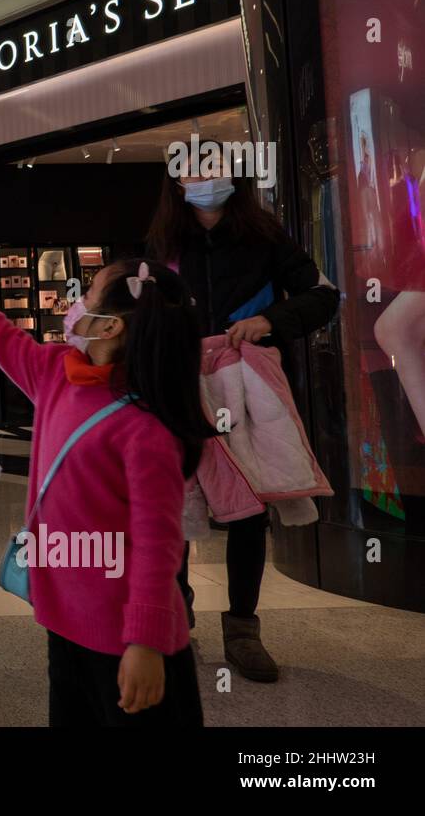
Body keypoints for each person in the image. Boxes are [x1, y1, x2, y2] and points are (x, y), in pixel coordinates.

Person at [0, 220, 211, 726]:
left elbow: (158, 545)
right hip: (64, 620)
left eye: (90, 291)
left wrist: (145, 642)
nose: (77, 299)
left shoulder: (145, 431)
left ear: (110, 326)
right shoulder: (57, 373)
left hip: (124, 637)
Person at [147, 168, 339, 682]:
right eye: (191, 170)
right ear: (175, 181)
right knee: (174, 501)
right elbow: (142, 312)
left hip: (248, 387)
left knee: (249, 508)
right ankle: (175, 613)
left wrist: (270, 320)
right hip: (180, 387)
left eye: (213, 168)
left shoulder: (265, 236)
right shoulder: (164, 243)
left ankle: (242, 629)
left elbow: (325, 295)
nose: (203, 179)